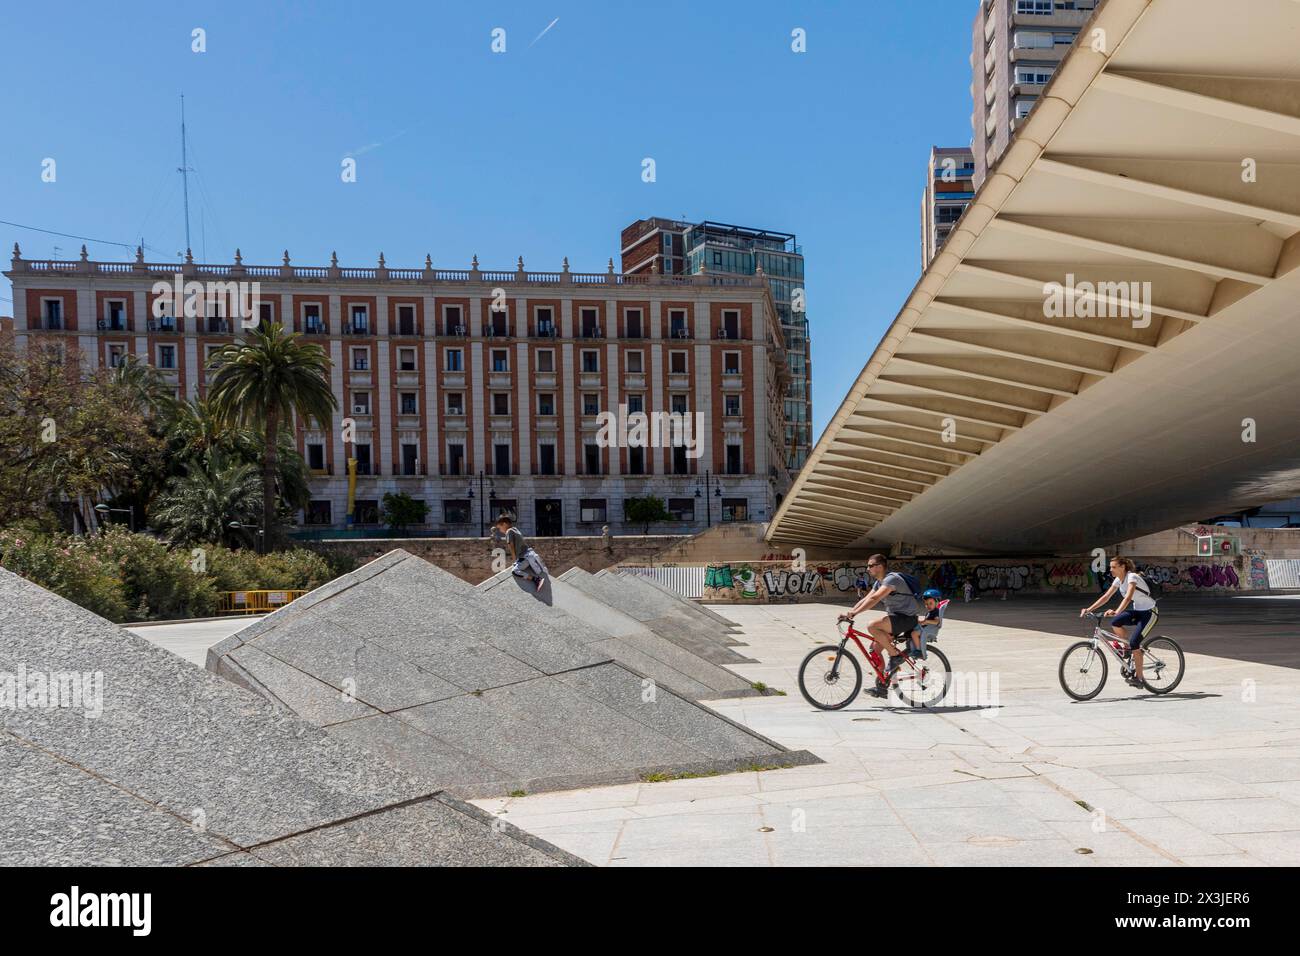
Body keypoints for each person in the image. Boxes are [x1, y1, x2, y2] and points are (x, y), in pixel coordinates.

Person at [838, 554, 924, 697]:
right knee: (875, 651)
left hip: (907, 618)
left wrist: (854, 613)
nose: (868, 568)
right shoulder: (879, 583)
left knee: (872, 626)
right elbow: (866, 598)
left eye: (870, 565)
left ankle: (894, 655)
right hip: (895, 619)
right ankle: (882, 686)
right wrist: (850, 612)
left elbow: (875, 598)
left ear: (880, 566)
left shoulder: (892, 579)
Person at [1080, 556, 1157, 686]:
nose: (1111, 570)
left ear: (1123, 567)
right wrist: (1088, 609)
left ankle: (1139, 678)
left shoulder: (1132, 577)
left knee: (1135, 643)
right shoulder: (1118, 580)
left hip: (1149, 613)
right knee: (1116, 622)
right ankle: (1126, 649)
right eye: (1111, 567)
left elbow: (1127, 598)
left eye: (1114, 567)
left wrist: (1117, 611)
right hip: (1137, 611)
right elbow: (1106, 596)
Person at [493, 512, 548, 591]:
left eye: (499, 528)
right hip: (529, 554)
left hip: (525, 557)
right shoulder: (515, 529)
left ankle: (536, 579)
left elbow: (511, 546)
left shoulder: (509, 532)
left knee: (515, 571)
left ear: (504, 524)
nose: (500, 531)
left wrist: (515, 560)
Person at [916, 588, 948, 658]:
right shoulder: (930, 612)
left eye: (930, 603)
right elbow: (925, 623)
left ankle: (918, 651)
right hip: (926, 629)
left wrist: (926, 621)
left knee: (913, 633)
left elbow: (936, 621)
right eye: (926, 604)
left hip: (928, 631)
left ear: (937, 602)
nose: (928, 606)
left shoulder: (935, 611)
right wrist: (920, 622)